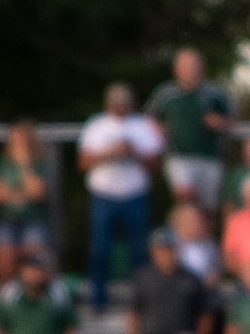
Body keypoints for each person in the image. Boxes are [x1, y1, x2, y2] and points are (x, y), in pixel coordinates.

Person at [80, 82, 165, 311]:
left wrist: (133, 152)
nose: (120, 106)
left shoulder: (142, 126)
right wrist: (109, 152)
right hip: (103, 196)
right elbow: (83, 162)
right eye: (116, 102)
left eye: (124, 102)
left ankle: (141, 303)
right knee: (99, 251)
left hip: (135, 196)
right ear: (108, 103)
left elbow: (155, 163)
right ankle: (98, 301)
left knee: (139, 253)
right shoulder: (97, 125)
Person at [147, 49, 237, 214]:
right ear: (177, 69)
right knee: (185, 196)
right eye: (186, 66)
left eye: (195, 65)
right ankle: (183, 237)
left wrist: (220, 122)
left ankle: (203, 239)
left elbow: (233, 118)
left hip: (210, 157)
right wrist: (159, 130)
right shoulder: (166, 94)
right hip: (179, 156)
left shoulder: (215, 93)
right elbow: (149, 118)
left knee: (208, 208)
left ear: (202, 68)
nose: (191, 70)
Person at [0, 120, 52, 284]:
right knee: (5, 270)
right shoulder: (3, 164)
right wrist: (24, 194)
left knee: (35, 268)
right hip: (7, 220)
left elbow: (38, 193)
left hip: (32, 221)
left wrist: (25, 165)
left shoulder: (38, 164)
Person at [131, 229, 212, 334]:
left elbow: (205, 314)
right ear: (153, 251)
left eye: (170, 249)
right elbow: (134, 312)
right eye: (162, 250)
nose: (167, 254)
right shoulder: (143, 278)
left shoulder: (192, 279)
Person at [0, 252, 77, 334]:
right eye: (32, 269)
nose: (37, 274)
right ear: (22, 271)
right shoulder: (11, 294)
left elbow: (70, 328)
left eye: (41, 270)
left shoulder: (58, 295)